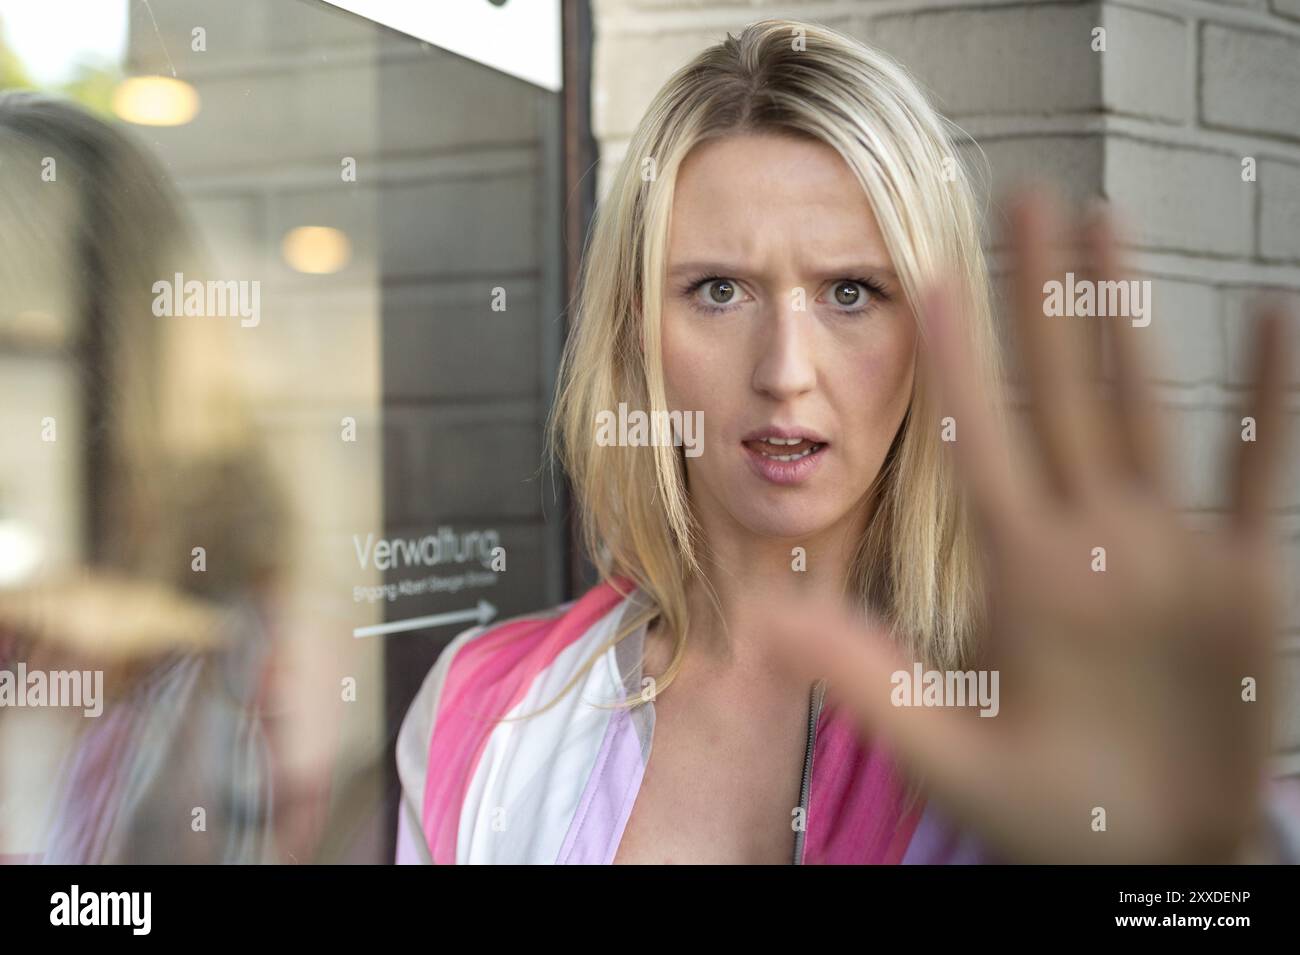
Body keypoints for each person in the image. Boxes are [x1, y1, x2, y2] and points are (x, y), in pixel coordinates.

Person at [395, 18, 1300, 864]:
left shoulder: (1031, 718)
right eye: (718, 290)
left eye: (852, 292)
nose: (787, 371)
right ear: (638, 330)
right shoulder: (481, 719)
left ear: (931, 337)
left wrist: (1188, 873)